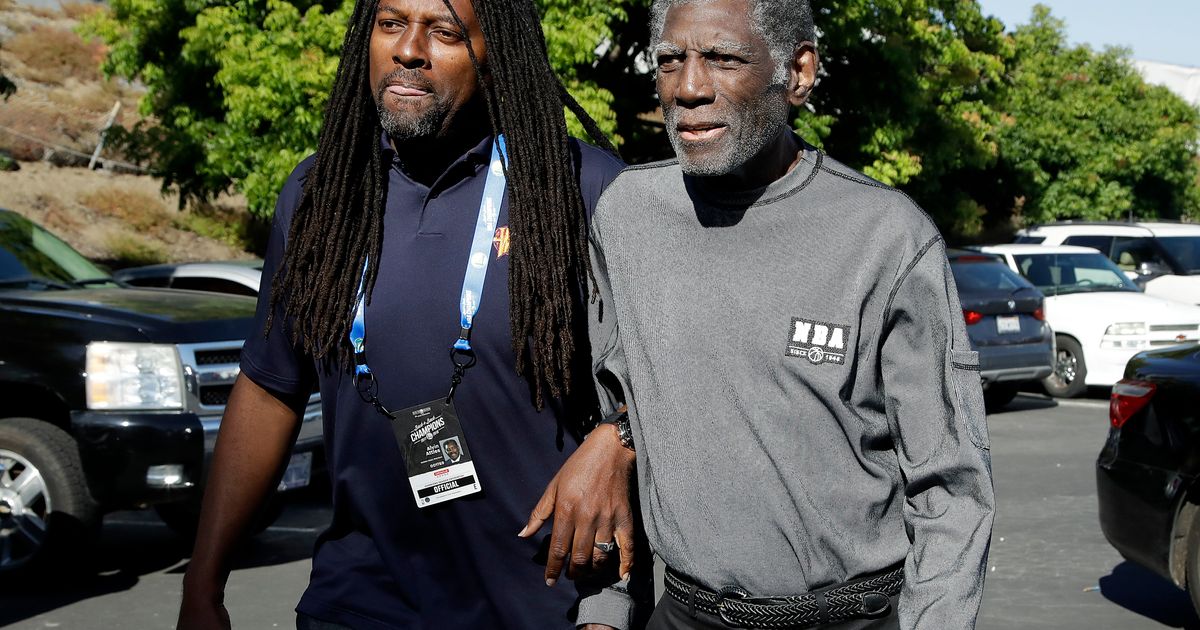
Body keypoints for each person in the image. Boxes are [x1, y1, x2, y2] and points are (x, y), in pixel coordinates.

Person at [177, 0, 645, 628]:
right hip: (357, 601)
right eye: (391, 24)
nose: (408, 50)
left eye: (446, 32)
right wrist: (203, 585)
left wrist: (619, 440)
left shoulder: (581, 188)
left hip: (538, 607)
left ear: (496, 55)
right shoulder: (323, 192)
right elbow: (269, 389)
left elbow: (672, 381)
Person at [580, 0, 997, 627]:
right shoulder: (628, 217)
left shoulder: (887, 237)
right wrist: (606, 607)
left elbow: (952, 488)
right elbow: (618, 417)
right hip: (686, 614)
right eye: (671, 61)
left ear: (797, 73)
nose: (689, 88)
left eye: (722, 59)